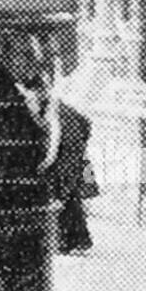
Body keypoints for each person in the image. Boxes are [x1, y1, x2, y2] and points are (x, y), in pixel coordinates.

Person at [36, 58, 94, 254]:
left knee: (64, 197)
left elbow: (54, 140)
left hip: (68, 157)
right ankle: (74, 241)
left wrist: (46, 162)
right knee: (70, 198)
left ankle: (69, 242)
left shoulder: (54, 109)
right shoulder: (63, 108)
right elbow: (86, 125)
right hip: (74, 155)